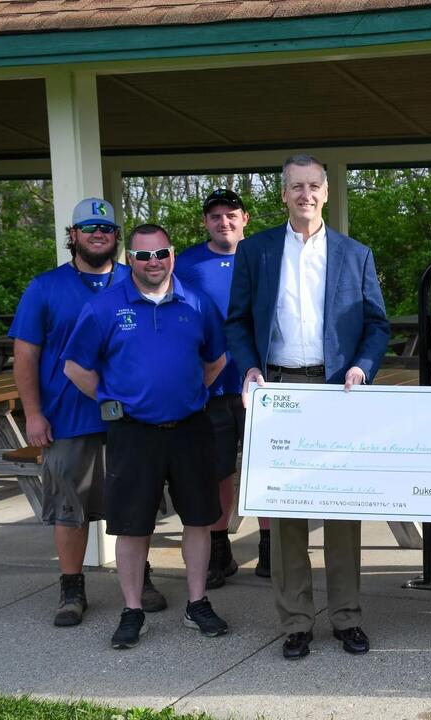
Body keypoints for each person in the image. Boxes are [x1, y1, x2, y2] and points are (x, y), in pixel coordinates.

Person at [225, 154, 390, 660]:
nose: (305, 195)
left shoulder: (354, 253)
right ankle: (295, 621)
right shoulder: (256, 251)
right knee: (286, 510)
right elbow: (235, 321)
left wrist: (363, 366)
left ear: (326, 192)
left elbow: (376, 324)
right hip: (279, 389)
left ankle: (346, 618)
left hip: (337, 389)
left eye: (313, 186)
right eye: (295, 187)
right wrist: (250, 367)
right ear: (283, 195)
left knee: (342, 509)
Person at [62, 223, 230, 649]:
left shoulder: (197, 302)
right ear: (129, 260)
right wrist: (110, 399)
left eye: (161, 254)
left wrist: (191, 393)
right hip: (133, 432)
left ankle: (197, 603)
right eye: (142, 256)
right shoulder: (104, 307)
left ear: (172, 255)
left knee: (198, 519)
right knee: (133, 525)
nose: (153, 263)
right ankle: (132, 610)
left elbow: (216, 359)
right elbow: (76, 367)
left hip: (190, 428)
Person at [9, 197, 165, 627]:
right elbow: (25, 355)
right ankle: (71, 586)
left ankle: (141, 579)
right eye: (90, 228)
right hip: (66, 417)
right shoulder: (45, 287)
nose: (99, 234)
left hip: (130, 419)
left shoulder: (136, 281)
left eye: (108, 228)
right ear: (73, 235)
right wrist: (33, 413)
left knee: (134, 503)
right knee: (68, 507)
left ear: (117, 237)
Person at [175, 188, 271, 588]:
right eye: (215, 216)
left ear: (245, 218)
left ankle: (271, 547)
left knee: (266, 467)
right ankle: (219, 549)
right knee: (218, 471)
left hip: (262, 382)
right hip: (213, 388)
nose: (224, 222)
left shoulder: (267, 256)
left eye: (231, 215)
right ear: (206, 222)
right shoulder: (187, 264)